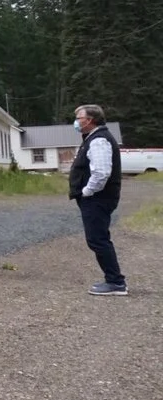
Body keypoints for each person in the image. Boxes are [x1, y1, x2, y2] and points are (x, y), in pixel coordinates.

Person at [70, 104, 127, 296]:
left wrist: (87, 191)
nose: (76, 122)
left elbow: (101, 172)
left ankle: (115, 282)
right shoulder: (92, 138)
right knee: (97, 238)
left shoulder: (99, 140)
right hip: (96, 198)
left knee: (98, 239)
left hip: (97, 198)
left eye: (79, 118)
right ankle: (113, 280)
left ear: (90, 120)